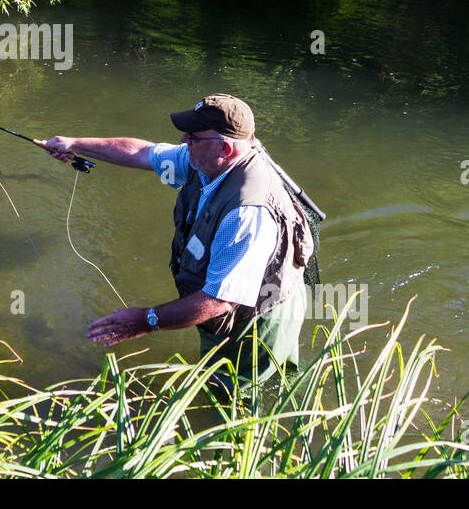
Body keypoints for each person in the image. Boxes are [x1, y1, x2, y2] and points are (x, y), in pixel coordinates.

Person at [41, 93, 313, 397]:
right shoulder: (205, 160)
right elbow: (141, 153)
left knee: (240, 398)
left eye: (193, 136)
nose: (184, 139)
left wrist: (145, 321)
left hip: (258, 318)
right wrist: (74, 144)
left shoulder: (247, 213)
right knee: (214, 382)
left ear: (224, 147)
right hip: (226, 297)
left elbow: (220, 301)